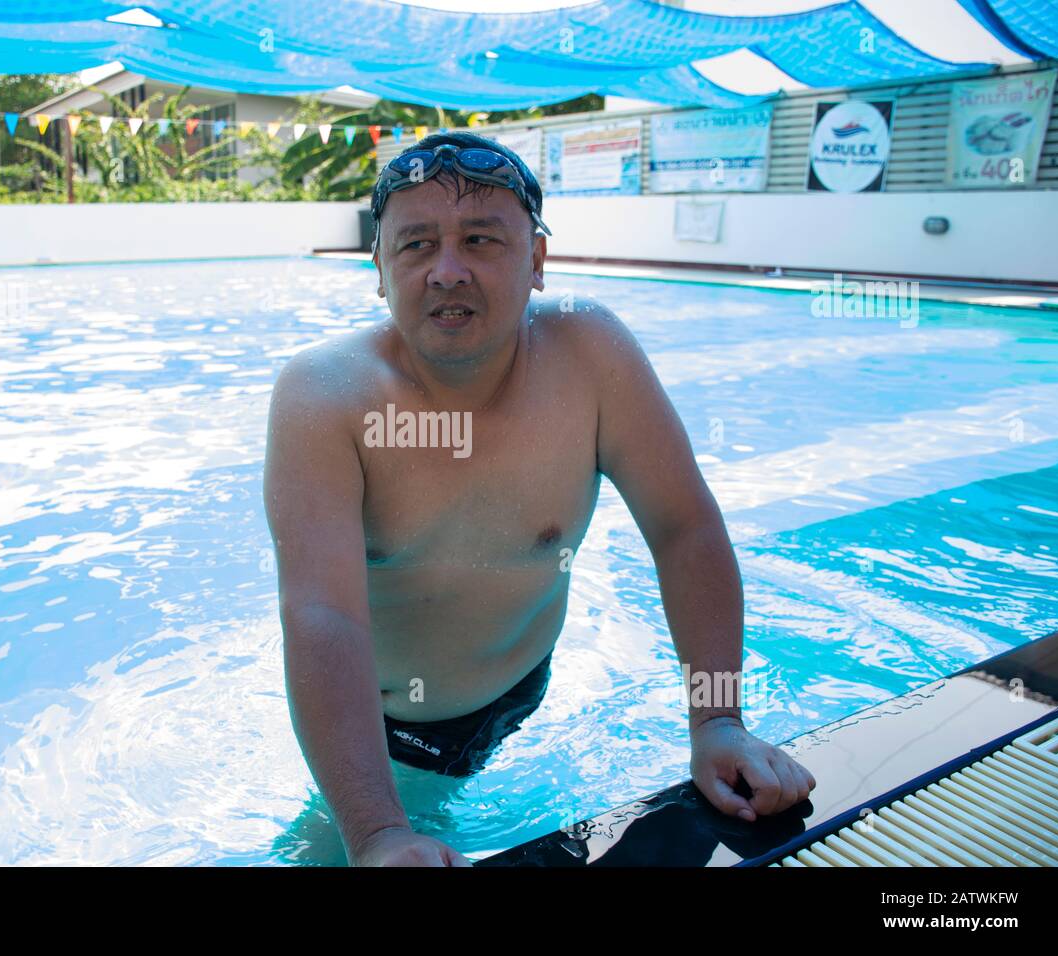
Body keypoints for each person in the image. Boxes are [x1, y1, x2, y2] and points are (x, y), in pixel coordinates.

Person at [263, 130, 816, 867]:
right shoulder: (325, 398)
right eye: (416, 245)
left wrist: (718, 720)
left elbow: (684, 529)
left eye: (482, 239)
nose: (446, 271)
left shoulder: (592, 357)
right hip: (391, 733)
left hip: (525, 687)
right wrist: (376, 829)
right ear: (380, 270)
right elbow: (321, 614)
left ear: (539, 262)